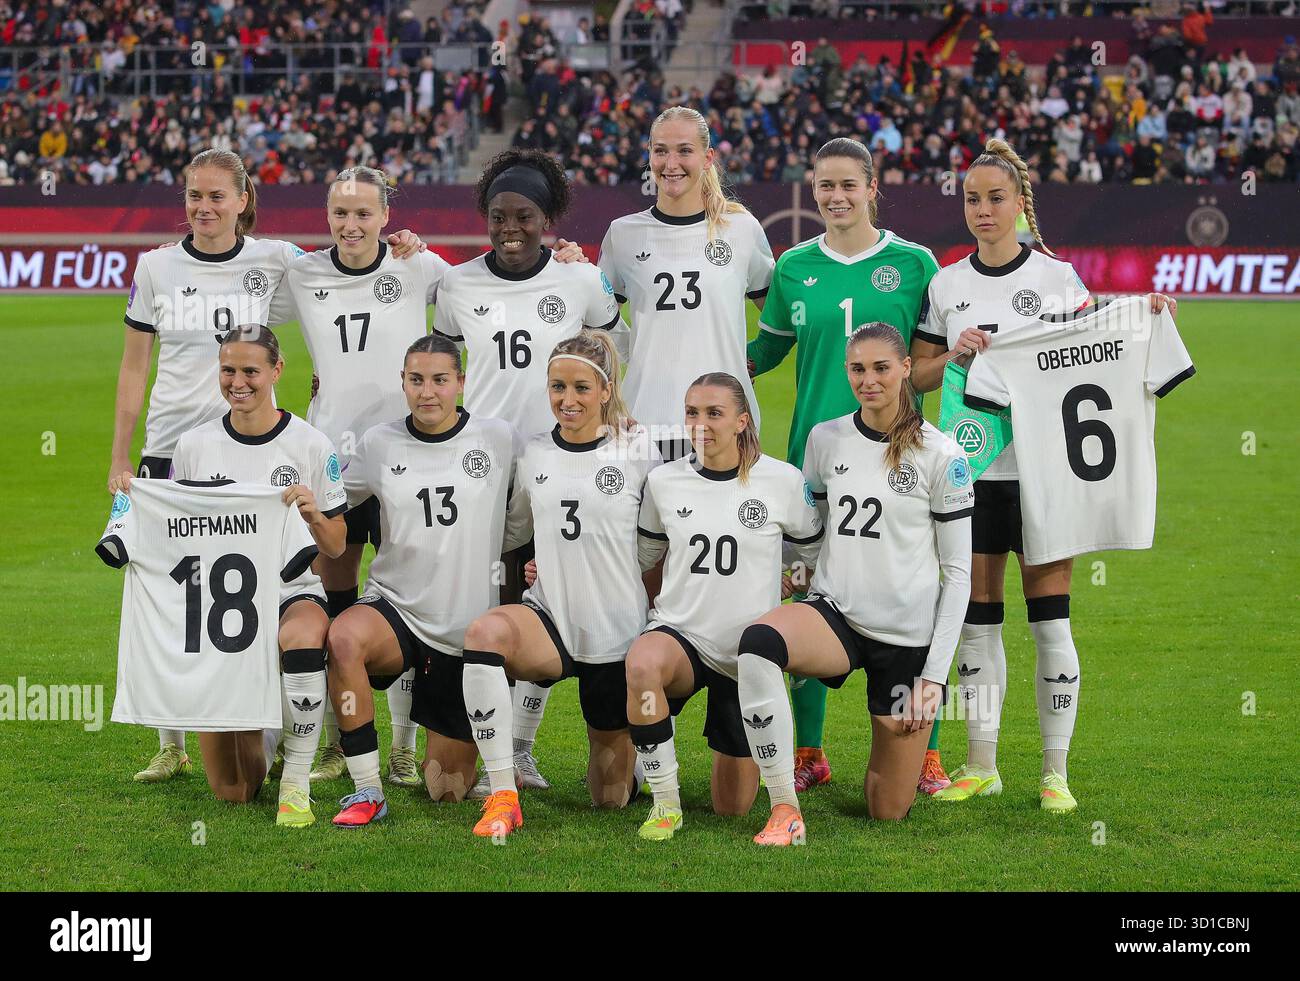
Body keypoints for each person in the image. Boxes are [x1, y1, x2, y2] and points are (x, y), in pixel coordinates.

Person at [107, 147, 421, 784]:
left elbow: (345, 280)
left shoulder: (277, 261)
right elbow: (135, 365)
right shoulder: (157, 267)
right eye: (194, 195)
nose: (204, 207)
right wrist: (121, 457)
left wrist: (402, 243)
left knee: (277, 588)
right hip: (175, 449)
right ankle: (172, 743)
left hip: (258, 451)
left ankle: (322, 738)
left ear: (244, 200)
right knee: (173, 594)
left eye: (218, 196)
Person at [278, 166, 588, 788]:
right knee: (351, 596)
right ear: (326, 216)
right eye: (341, 213)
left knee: (470, 593)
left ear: (387, 217)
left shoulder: (425, 269)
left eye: (365, 213)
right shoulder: (302, 269)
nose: (353, 224)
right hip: (350, 459)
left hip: (433, 458)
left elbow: (499, 290)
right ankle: (352, 742)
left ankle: (458, 742)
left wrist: (571, 259)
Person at [908, 138, 1174, 812]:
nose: (983, 210)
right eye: (972, 199)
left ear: (1021, 203)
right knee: (978, 623)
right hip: (971, 472)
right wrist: (957, 354)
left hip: (1046, 474)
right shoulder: (946, 285)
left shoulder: (1057, 279)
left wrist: (1147, 316)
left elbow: (1101, 348)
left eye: (996, 197)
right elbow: (915, 375)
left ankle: (1055, 771)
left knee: (1050, 621)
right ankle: (982, 763)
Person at [746, 136, 950, 796]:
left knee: (913, 600)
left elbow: (925, 361)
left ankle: (924, 751)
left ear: (871, 186)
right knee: (807, 594)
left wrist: (966, 355)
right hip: (815, 461)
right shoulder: (794, 267)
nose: (835, 197)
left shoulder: (916, 264)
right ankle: (809, 749)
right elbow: (765, 351)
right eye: (823, 187)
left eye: (847, 185)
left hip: (900, 461)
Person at [737, 323, 973, 845]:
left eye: (881, 368)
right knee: (758, 644)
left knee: (886, 808)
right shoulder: (826, 438)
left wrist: (933, 678)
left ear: (906, 369)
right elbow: (809, 533)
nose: (868, 381)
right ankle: (783, 806)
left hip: (904, 637)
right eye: (858, 369)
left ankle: (888, 764)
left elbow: (958, 574)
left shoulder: (943, 455)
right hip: (836, 614)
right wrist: (791, 575)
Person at [433, 148, 622, 798]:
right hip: (481, 475)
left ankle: (520, 747)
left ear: (548, 219)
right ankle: (474, 748)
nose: (510, 226)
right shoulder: (457, 285)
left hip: (562, 470)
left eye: (525, 215)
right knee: (489, 607)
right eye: (498, 215)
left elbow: (612, 351)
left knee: (549, 604)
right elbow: (444, 365)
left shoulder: (580, 281)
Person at [460, 331, 660, 837]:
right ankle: (504, 791)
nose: (567, 401)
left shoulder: (637, 449)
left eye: (580, 389)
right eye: (556, 387)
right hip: (549, 617)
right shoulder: (533, 453)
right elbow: (515, 528)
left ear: (606, 391)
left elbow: (660, 537)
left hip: (615, 629)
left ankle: (638, 760)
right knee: (484, 635)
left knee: (609, 798)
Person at [324, 335, 520, 827]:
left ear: (460, 382)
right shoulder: (378, 442)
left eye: (438, 380)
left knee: (447, 790)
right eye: (416, 380)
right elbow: (332, 501)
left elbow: (558, 465)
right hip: (396, 609)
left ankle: (472, 757)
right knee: (344, 637)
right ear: (403, 384)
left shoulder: (499, 438)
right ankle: (367, 789)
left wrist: (618, 430)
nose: (426, 392)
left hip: (464, 631)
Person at [626, 373, 823, 841]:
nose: (700, 424)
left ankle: (769, 797)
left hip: (746, 656)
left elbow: (814, 556)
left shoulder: (782, 481)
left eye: (714, 413)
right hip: (681, 639)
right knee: (643, 664)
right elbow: (641, 558)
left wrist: (788, 584)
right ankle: (665, 804)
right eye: (692, 413)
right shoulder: (663, 482)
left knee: (731, 807)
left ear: (741, 421)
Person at [169, 326, 347, 825]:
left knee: (305, 637)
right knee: (234, 790)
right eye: (228, 370)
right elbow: (177, 532)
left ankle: (295, 782)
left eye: (251, 370)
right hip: (222, 610)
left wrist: (313, 514)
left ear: (276, 370)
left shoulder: (311, 444)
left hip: (293, 592)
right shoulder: (194, 446)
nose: (238, 381)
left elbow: (334, 546)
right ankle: (270, 721)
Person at [599, 105, 774, 464]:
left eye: (684, 150)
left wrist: (751, 360)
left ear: (708, 157)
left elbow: (780, 315)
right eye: (660, 150)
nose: (670, 162)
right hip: (645, 424)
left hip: (725, 425)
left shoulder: (740, 230)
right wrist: (634, 352)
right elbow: (597, 323)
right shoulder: (624, 234)